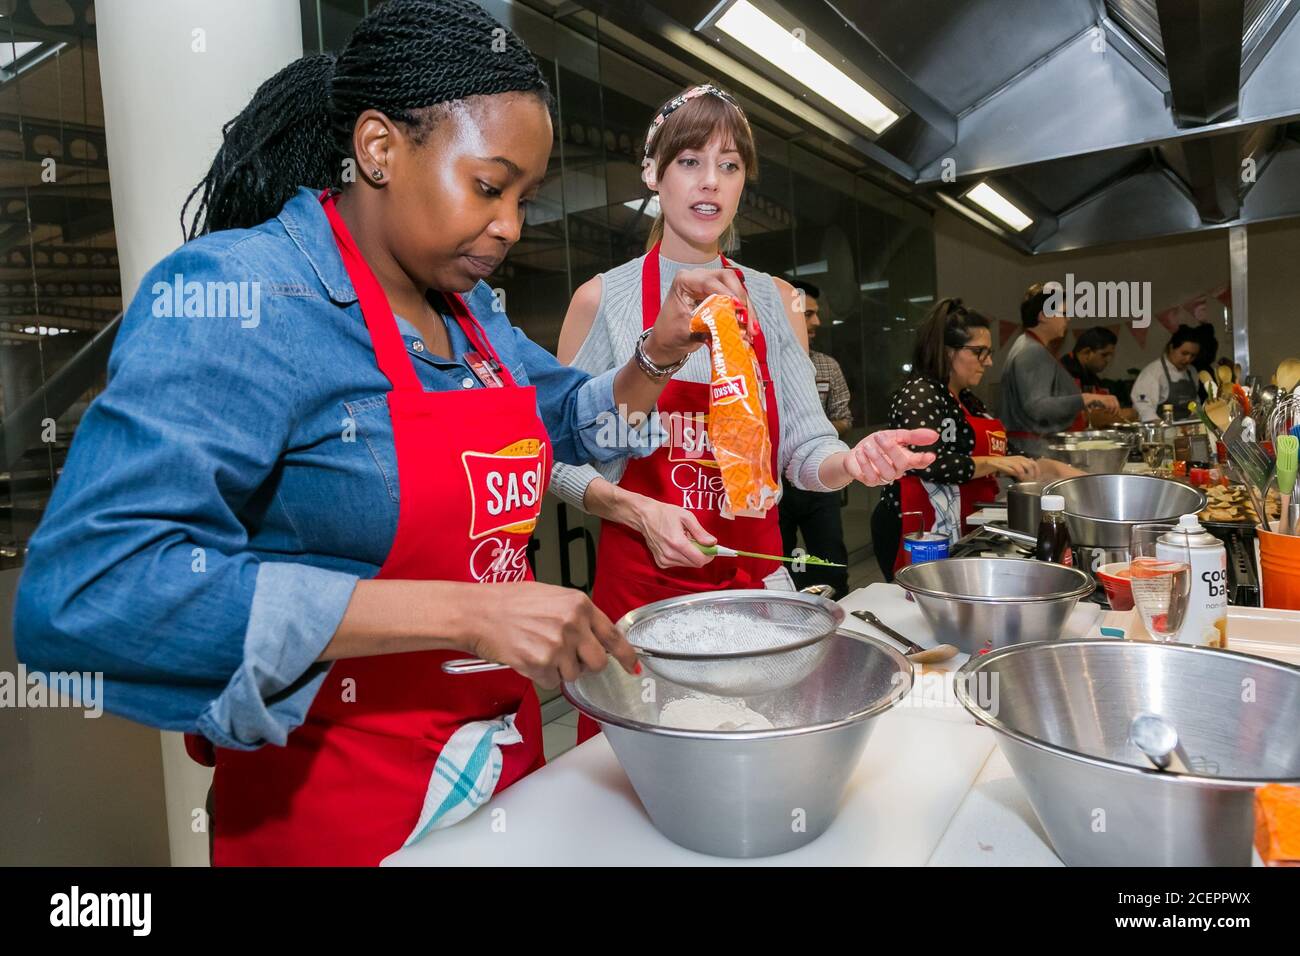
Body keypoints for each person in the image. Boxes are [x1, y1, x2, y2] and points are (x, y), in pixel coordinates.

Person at [12, 0, 747, 866]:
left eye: (523, 198)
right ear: (378, 148)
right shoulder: (246, 299)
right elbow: (86, 594)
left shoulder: (469, 314)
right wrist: (468, 613)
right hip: (340, 812)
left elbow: (566, 423)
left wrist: (657, 353)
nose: (511, 225)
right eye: (489, 187)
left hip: (499, 774)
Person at [549, 84, 936, 743]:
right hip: (641, 600)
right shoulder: (604, 300)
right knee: (639, 771)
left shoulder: (777, 301)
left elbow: (805, 448)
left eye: (729, 165)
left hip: (755, 592)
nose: (711, 181)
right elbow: (555, 454)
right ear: (652, 173)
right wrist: (636, 511)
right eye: (689, 161)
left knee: (759, 757)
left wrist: (851, 461)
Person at [872, 299, 1080, 580]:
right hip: (916, 527)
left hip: (960, 522)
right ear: (947, 351)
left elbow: (1012, 456)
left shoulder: (969, 401)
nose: (988, 362)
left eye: (989, 352)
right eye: (979, 352)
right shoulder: (920, 394)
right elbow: (930, 463)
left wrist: (1069, 475)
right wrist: (995, 463)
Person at [777, 279, 850, 595]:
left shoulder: (827, 366)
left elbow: (845, 418)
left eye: (816, 313)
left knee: (830, 559)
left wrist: (811, 432)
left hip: (818, 480)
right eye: (807, 314)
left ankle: (839, 612)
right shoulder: (761, 364)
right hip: (775, 483)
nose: (817, 322)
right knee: (779, 562)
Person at [1001, 282, 1119, 455]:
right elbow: (1037, 407)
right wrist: (1085, 398)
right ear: (1044, 315)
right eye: (1064, 313)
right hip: (1032, 451)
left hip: (1029, 448)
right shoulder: (1032, 351)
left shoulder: (1027, 346)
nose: (1068, 318)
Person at [1060, 326, 1136, 426]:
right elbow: (1076, 415)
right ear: (1086, 352)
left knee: (1131, 413)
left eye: (1111, 355)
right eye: (1104, 355)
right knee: (1130, 414)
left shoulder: (1090, 374)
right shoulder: (1063, 372)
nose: (1108, 360)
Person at [1132, 324, 1202, 421]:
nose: (1188, 359)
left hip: (1188, 428)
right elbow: (1143, 407)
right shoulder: (1153, 371)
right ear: (1171, 348)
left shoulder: (1192, 371)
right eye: (1184, 353)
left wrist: (1196, 417)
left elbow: (1195, 402)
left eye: (1193, 355)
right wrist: (1159, 424)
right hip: (1162, 428)